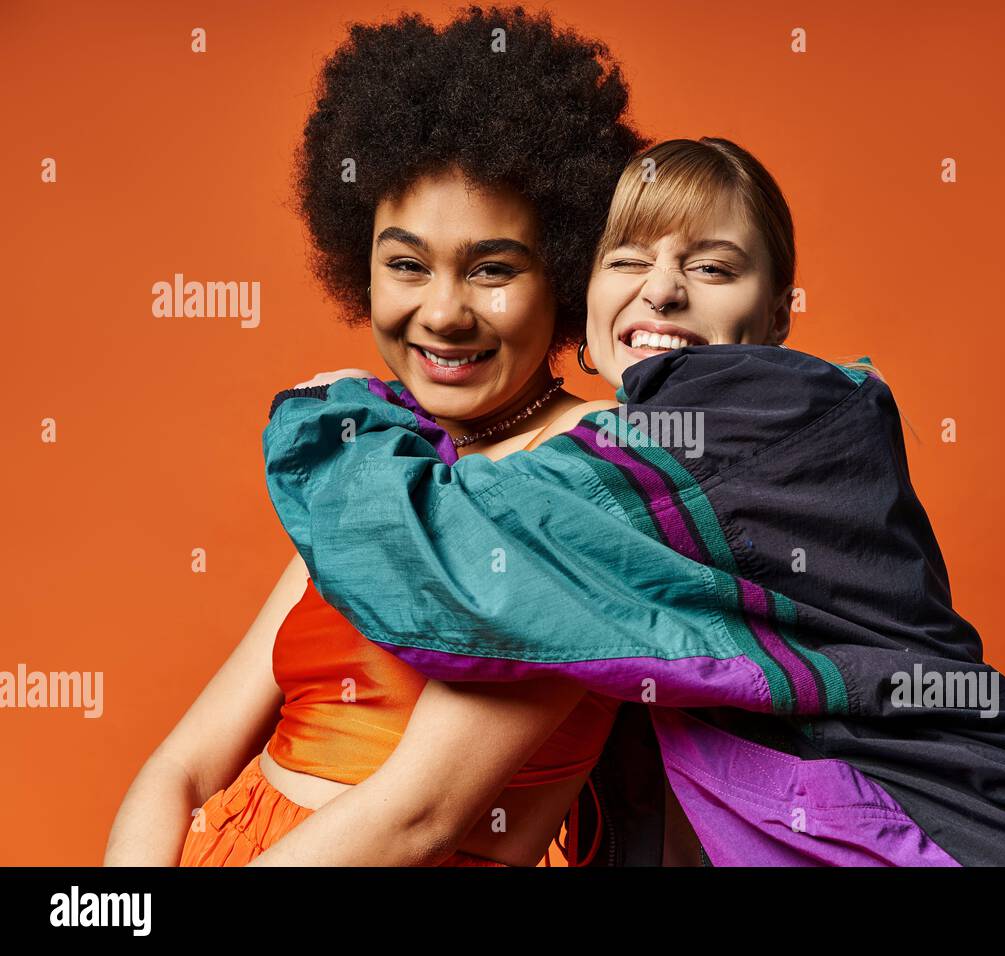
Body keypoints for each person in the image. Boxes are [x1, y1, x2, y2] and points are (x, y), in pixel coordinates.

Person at [263, 136, 1005, 866]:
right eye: (628, 259)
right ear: (585, 302)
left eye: (713, 268)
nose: (663, 291)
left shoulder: (763, 413)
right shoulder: (634, 451)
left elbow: (444, 560)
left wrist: (330, 418)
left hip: (958, 837)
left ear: (778, 311)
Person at [104, 6, 644, 867]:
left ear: (568, 276)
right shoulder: (377, 457)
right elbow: (181, 767)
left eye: (492, 268)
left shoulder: (593, 479)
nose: (440, 312)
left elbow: (419, 817)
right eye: (406, 263)